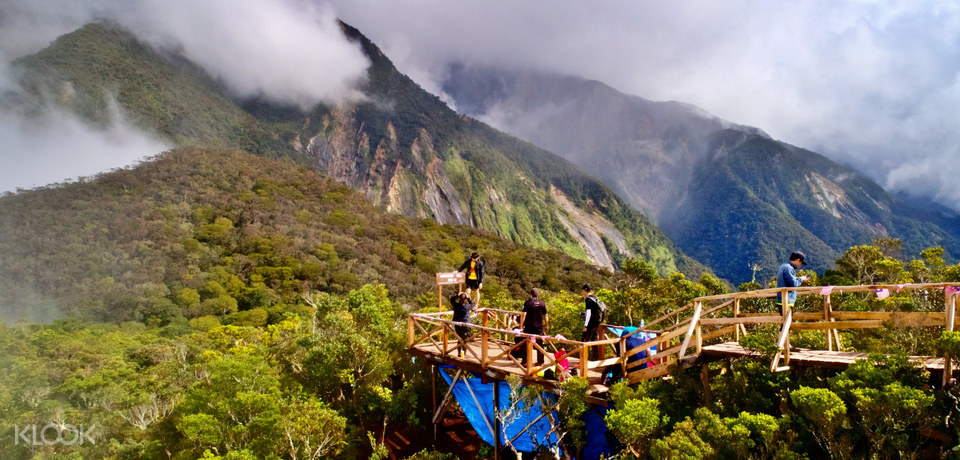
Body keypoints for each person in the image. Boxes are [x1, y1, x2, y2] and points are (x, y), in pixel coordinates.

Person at [521, 288, 549, 365]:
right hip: (539, 327)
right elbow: (545, 315)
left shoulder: (527, 303)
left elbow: (523, 314)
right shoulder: (542, 303)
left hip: (529, 326)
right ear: (538, 295)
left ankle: (525, 362)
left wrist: (521, 325)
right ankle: (540, 362)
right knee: (540, 345)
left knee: (526, 343)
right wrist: (547, 325)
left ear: (530, 294)